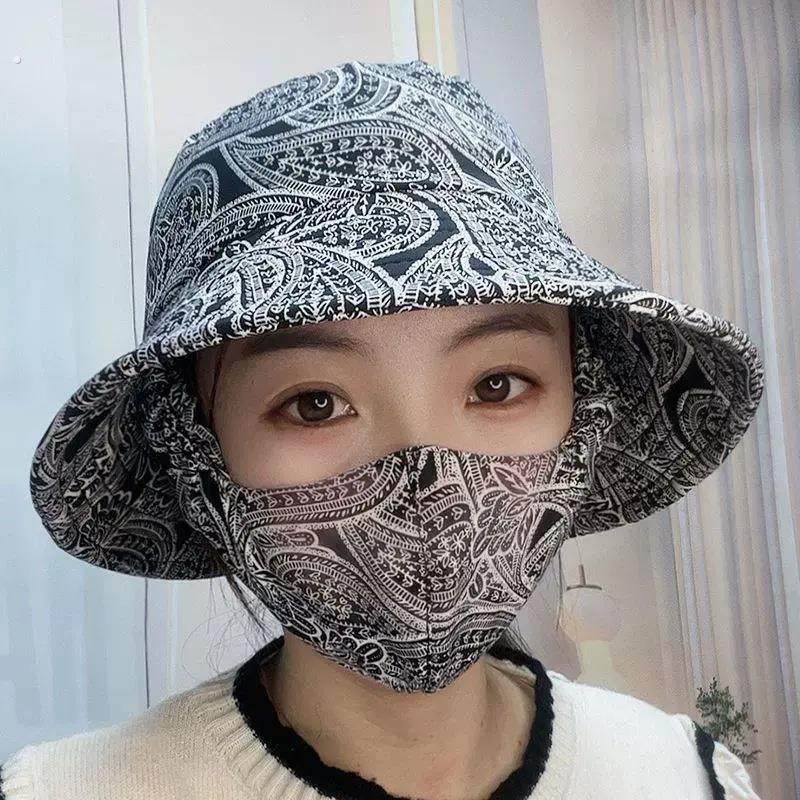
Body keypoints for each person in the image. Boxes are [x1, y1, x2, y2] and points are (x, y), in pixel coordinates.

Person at [2, 59, 765, 799]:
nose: (425, 483)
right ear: (196, 450)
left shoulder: (684, 778)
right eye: (314, 403)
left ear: (583, 410)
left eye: (496, 385)